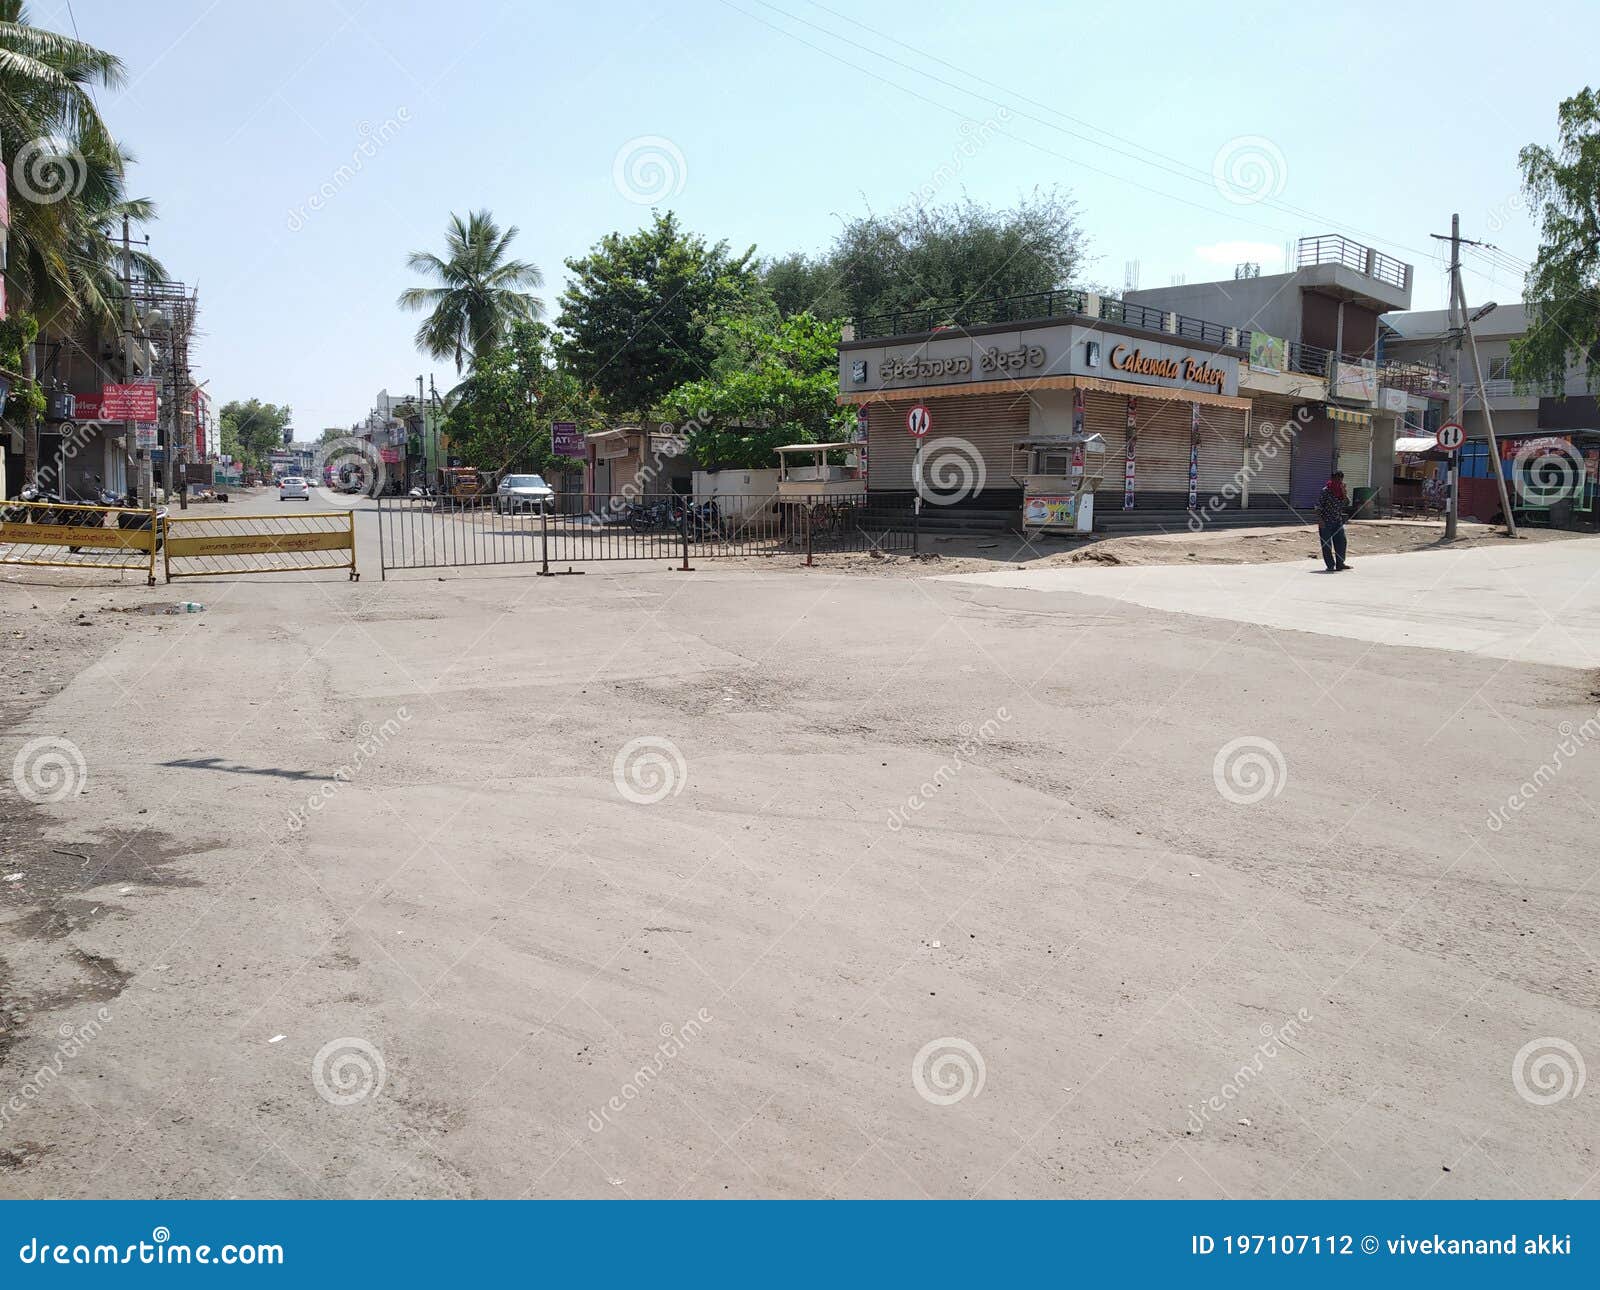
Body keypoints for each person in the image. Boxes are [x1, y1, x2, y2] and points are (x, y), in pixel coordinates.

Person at [1316, 470, 1352, 571]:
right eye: (1337, 479)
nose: (1339, 481)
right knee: (1327, 545)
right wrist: (1320, 520)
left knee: (1341, 542)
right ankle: (1330, 565)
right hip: (1325, 521)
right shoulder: (1326, 491)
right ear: (1332, 479)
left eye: (1340, 480)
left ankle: (1340, 564)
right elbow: (1318, 507)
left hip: (1337, 521)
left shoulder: (1341, 491)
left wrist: (1344, 492)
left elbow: (1347, 503)